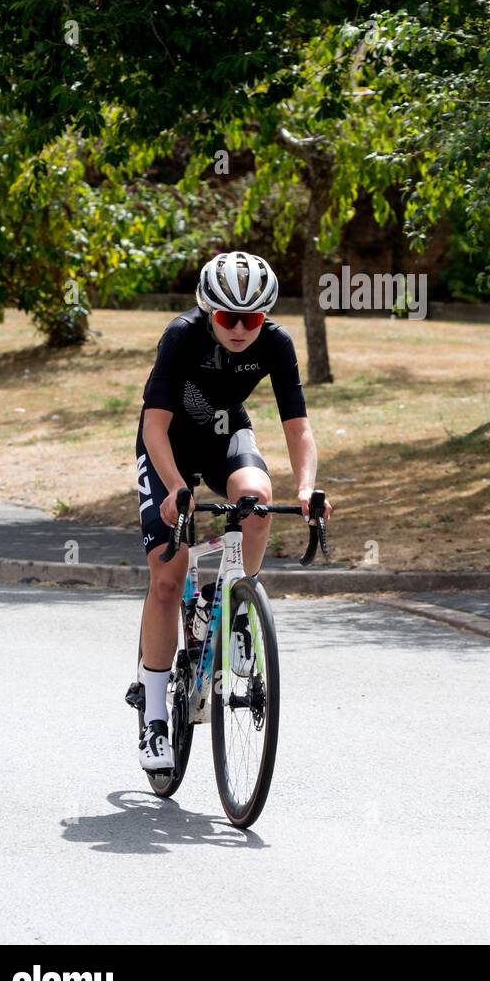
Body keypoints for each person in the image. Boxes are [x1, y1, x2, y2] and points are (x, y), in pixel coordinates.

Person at [134, 250, 331, 771]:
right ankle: (155, 718)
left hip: (226, 436)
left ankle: (237, 606)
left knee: (258, 503)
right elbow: (154, 427)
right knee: (167, 579)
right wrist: (176, 488)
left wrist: (308, 488)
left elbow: (297, 427)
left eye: (253, 318)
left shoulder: (276, 343)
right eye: (228, 318)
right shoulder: (181, 335)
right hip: (168, 445)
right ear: (208, 311)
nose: (241, 329)